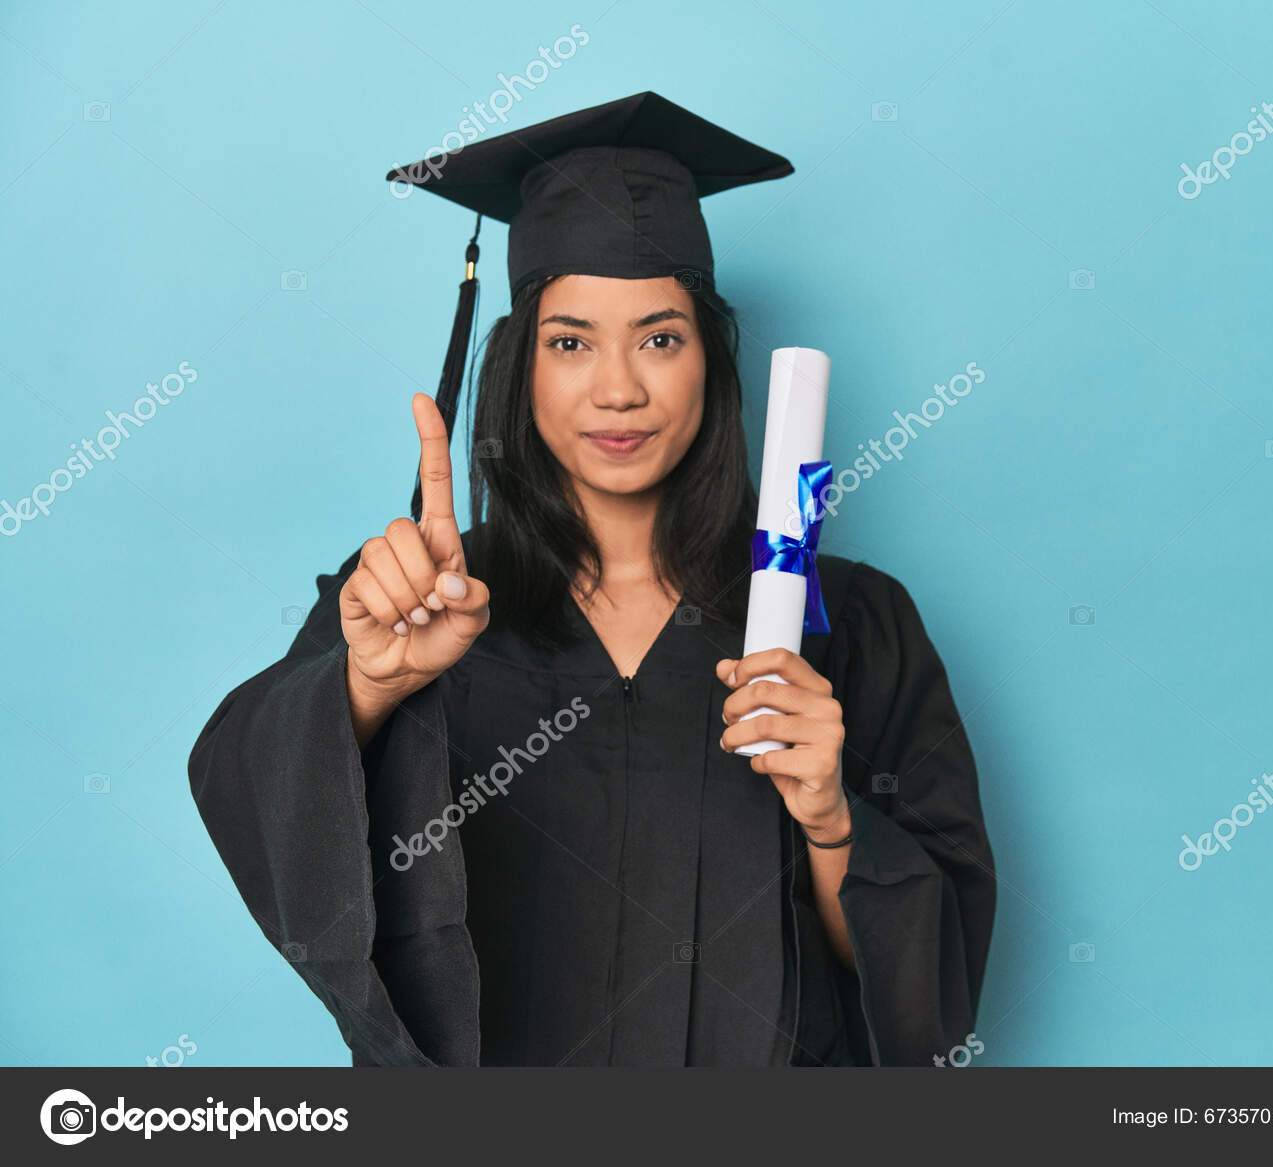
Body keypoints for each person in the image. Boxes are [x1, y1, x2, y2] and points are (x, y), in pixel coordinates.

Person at [188, 91, 996, 1067]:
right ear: (521, 366)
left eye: (660, 336)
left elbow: (932, 999)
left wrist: (830, 816)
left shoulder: (855, 622)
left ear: (713, 362)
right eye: (571, 341)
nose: (618, 387)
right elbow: (247, 793)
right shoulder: (412, 604)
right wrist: (370, 687)